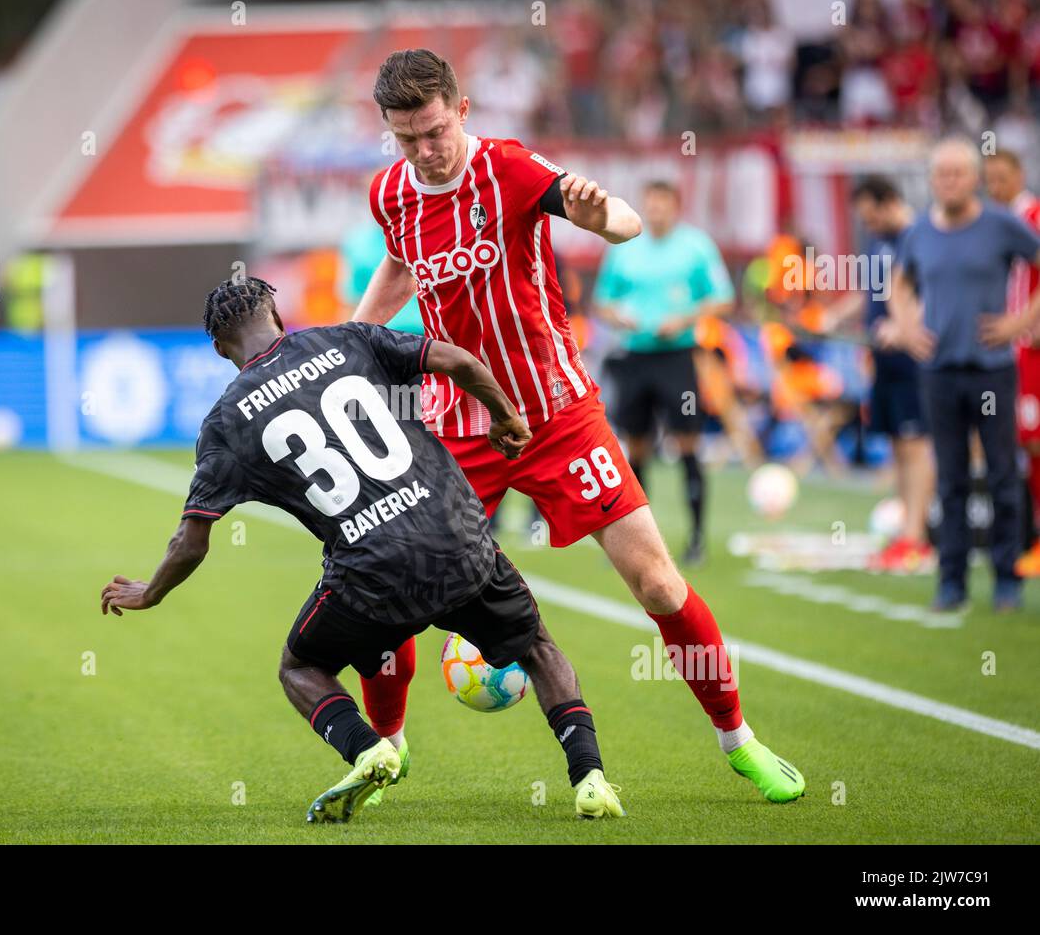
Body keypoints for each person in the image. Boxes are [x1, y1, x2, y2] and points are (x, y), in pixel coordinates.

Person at [353, 48, 804, 803]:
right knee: (394, 587)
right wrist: (349, 338)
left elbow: (617, 221)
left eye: (433, 131)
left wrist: (609, 216)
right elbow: (402, 264)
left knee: (658, 583)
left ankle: (740, 740)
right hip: (459, 427)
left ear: (461, 111)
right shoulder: (391, 194)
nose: (424, 152)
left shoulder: (510, 167)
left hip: (557, 415)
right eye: (406, 138)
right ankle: (386, 748)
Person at [99, 277, 623, 823]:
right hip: (456, 539)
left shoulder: (227, 422)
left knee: (301, 667)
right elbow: (460, 362)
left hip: (371, 579)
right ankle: (589, 777)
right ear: (276, 313)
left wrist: (152, 591)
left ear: (219, 349)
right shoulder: (348, 339)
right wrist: (505, 415)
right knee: (537, 646)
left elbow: (192, 539)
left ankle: (371, 749)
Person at [889, 138, 1040, 612]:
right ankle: (951, 580)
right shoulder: (918, 233)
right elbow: (900, 281)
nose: (950, 181)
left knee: (1002, 475)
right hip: (939, 372)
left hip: (993, 370)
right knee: (951, 479)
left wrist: (1020, 322)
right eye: (942, 174)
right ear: (932, 180)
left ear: (974, 178)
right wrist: (908, 326)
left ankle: (1007, 578)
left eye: (959, 173)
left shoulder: (1002, 226)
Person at [593, 179, 735, 564]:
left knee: (687, 443)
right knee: (635, 448)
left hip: (677, 358)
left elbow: (723, 299)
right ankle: (638, 543)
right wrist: (618, 316)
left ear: (676, 206)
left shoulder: (695, 246)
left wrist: (684, 318)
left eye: (662, 205)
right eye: (650, 205)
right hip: (635, 359)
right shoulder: (624, 247)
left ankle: (696, 538)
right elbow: (602, 302)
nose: (655, 211)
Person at [827, 176, 935, 573]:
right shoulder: (878, 240)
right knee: (898, 447)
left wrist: (903, 327)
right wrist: (834, 316)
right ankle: (905, 533)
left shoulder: (919, 236)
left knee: (916, 445)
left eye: (873, 216)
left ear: (889, 201)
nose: (869, 226)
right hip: (883, 363)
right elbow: (868, 292)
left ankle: (917, 537)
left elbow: (935, 293)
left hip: (913, 361)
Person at [982, 150, 1040, 577]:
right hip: (1010, 349)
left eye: (1002, 178)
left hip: (1032, 346)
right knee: (1021, 441)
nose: (995, 186)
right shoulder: (994, 222)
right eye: (990, 179)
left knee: (1034, 438)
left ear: (1019, 175)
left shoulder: (1033, 216)